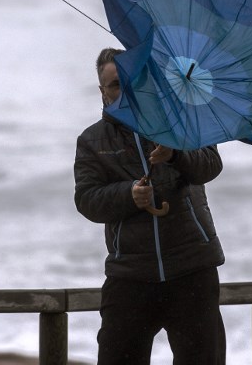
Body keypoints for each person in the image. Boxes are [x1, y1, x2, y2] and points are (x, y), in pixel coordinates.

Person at [73, 48, 226, 364]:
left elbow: (210, 165)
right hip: (130, 273)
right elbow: (87, 200)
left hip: (191, 268)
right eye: (114, 85)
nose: (123, 90)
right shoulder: (92, 140)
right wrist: (129, 195)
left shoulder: (180, 122)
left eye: (129, 81)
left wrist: (176, 154)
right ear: (103, 92)